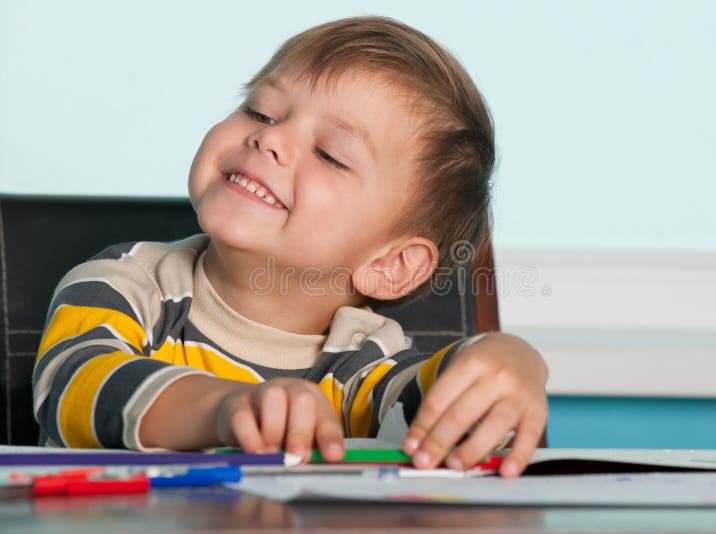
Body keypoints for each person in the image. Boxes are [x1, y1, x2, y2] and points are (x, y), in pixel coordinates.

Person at [32, 16, 548, 478]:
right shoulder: (126, 281)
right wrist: (226, 410)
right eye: (260, 112)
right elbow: (74, 383)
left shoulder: (359, 361)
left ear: (390, 265)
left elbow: (429, 415)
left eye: (329, 154)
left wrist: (504, 362)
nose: (269, 139)